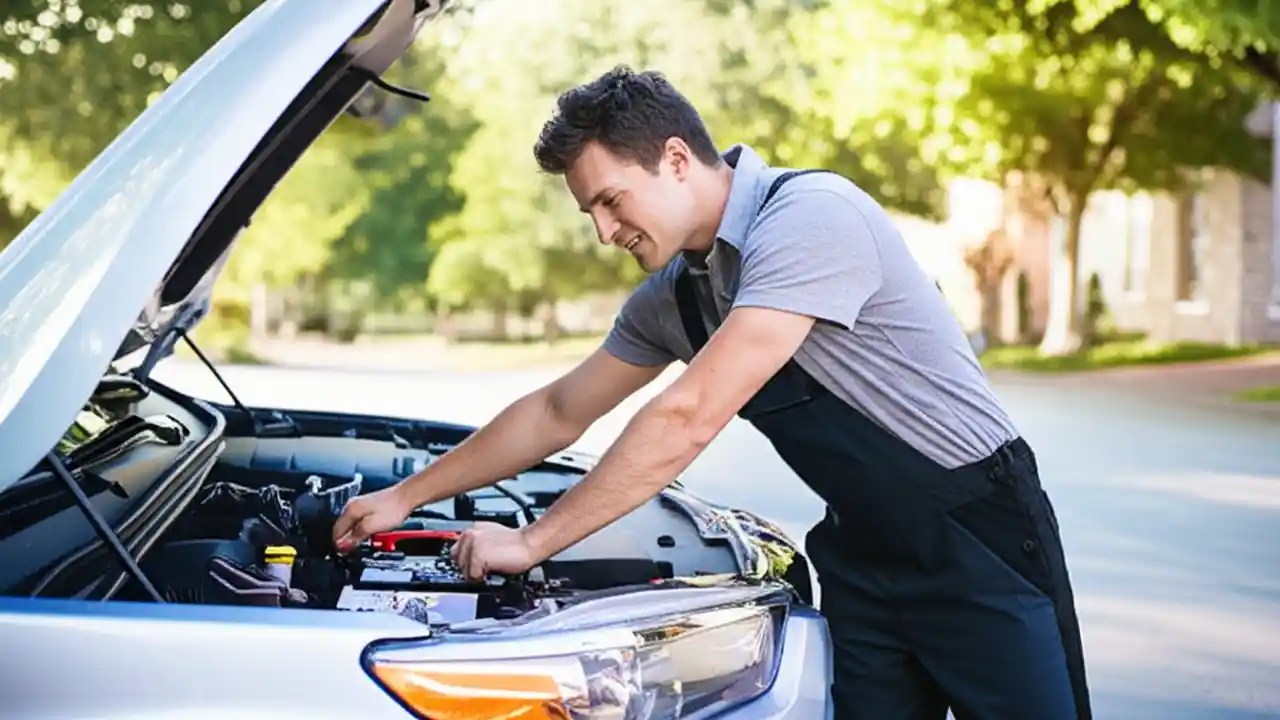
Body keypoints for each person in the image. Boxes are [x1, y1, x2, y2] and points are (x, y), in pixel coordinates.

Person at [332, 66, 1091, 719]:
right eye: (590, 212)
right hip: (866, 552)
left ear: (673, 159)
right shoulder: (676, 297)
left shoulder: (809, 218)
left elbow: (688, 415)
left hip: (978, 542)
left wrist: (533, 542)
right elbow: (558, 411)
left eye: (611, 201)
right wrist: (408, 496)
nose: (604, 232)